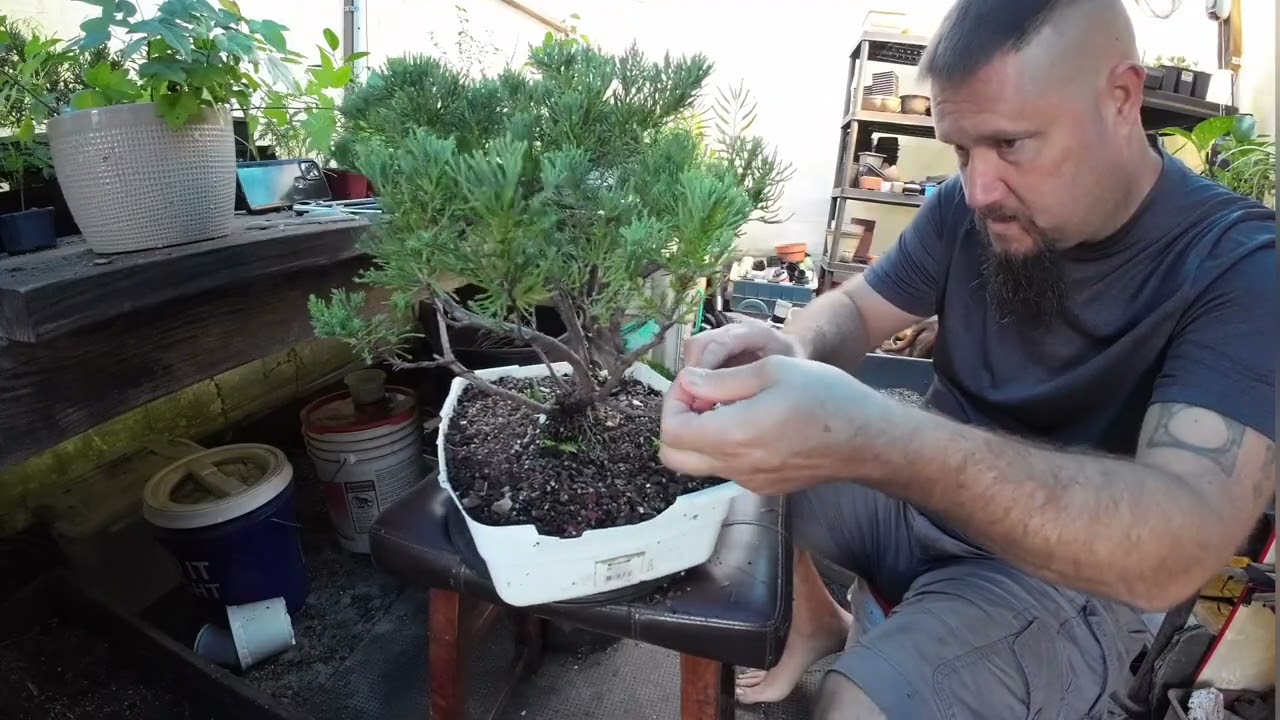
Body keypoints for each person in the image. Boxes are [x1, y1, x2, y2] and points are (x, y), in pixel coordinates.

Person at [658, 0, 1277, 718]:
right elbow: (857, 310)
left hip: (1064, 580)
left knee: (854, 708)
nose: (978, 188)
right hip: (923, 501)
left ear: (1120, 98)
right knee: (730, 449)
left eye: (1012, 143)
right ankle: (814, 619)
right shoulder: (970, 206)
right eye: (960, 150)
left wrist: (879, 435)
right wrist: (791, 348)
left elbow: (1175, 548)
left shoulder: (1240, 266)